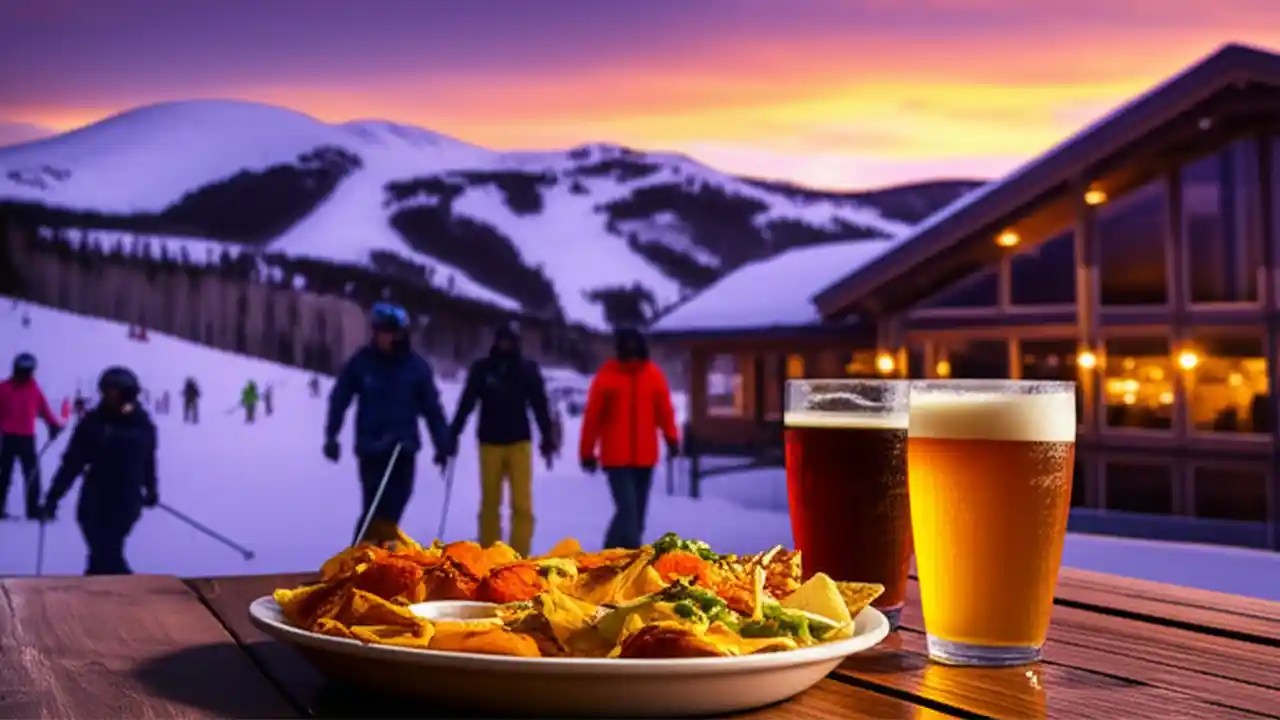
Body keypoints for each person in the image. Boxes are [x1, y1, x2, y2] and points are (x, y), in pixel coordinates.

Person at [325, 301, 453, 545]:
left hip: (403, 448)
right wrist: (332, 434)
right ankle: (359, 560)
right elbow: (340, 397)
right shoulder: (362, 362)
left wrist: (442, 442)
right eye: (377, 331)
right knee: (375, 508)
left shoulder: (416, 368)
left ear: (400, 332)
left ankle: (377, 560)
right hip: (372, 448)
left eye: (386, 331)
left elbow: (431, 408)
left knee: (394, 507)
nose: (380, 337)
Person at [450, 320, 555, 556]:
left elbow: (540, 404)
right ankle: (489, 554)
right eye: (502, 340)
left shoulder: (528, 369)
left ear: (517, 343)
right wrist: (453, 433)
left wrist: (547, 436)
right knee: (490, 503)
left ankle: (519, 556)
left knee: (522, 505)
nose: (506, 345)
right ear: (495, 342)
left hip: (520, 443)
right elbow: (466, 402)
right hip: (489, 443)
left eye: (510, 341)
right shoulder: (482, 369)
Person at [41, 367, 158, 575]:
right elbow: (72, 463)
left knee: (106, 556)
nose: (111, 398)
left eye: (116, 392)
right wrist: (53, 497)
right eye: (107, 392)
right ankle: (108, 594)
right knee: (101, 556)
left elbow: (148, 460)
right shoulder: (94, 423)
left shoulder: (142, 424)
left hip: (126, 500)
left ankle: (119, 597)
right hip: (95, 500)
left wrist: (151, 488)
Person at [579, 328, 679, 549]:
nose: (632, 352)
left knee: (637, 518)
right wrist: (587, 452)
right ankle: (619, 559)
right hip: (616, 460)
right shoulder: (607, 376)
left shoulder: (653, 375)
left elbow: (665, 411)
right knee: (628, 513)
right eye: (627, 347)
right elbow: (592, 418)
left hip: (645, 457)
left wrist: (672, 437)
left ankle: (615, 557)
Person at [0, 353, 63, 520]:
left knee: (32, 474)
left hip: (27, 439)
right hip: (8, 437)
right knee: (4, 474)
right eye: (22, 371)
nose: (25, 375)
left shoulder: (34, 389)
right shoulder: (4, 388)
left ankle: (33, 509)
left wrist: (53, 424)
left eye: (28, 372)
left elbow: (44, 409)